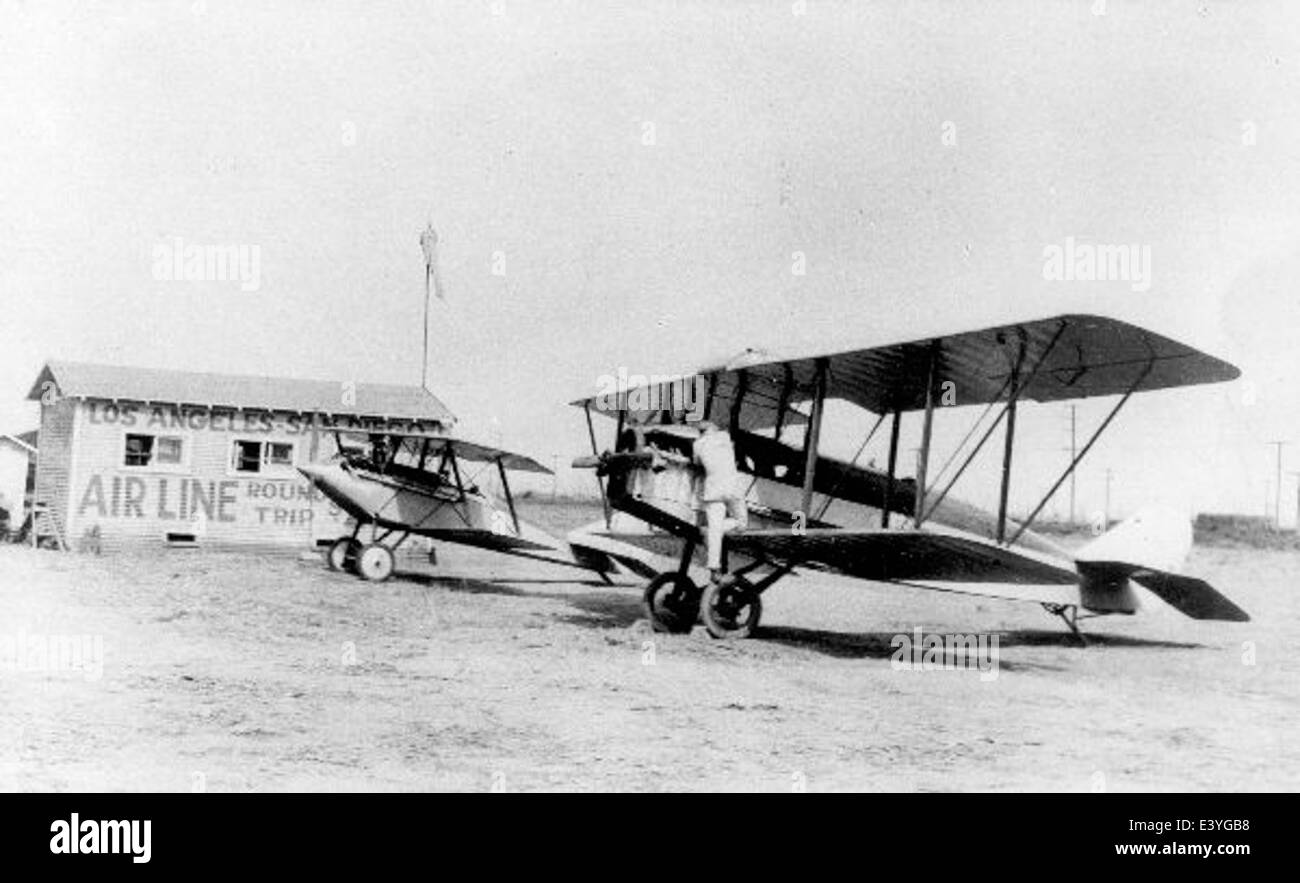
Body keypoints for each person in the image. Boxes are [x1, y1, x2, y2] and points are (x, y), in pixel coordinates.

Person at [691, 420, 748, 584]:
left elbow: (697, 464)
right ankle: (714, 531)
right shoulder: (724, 436)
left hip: (713, 488)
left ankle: (714, 568)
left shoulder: (697, 444)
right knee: (741, 523)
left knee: (715, 528)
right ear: (713, 429)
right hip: (731, 487)